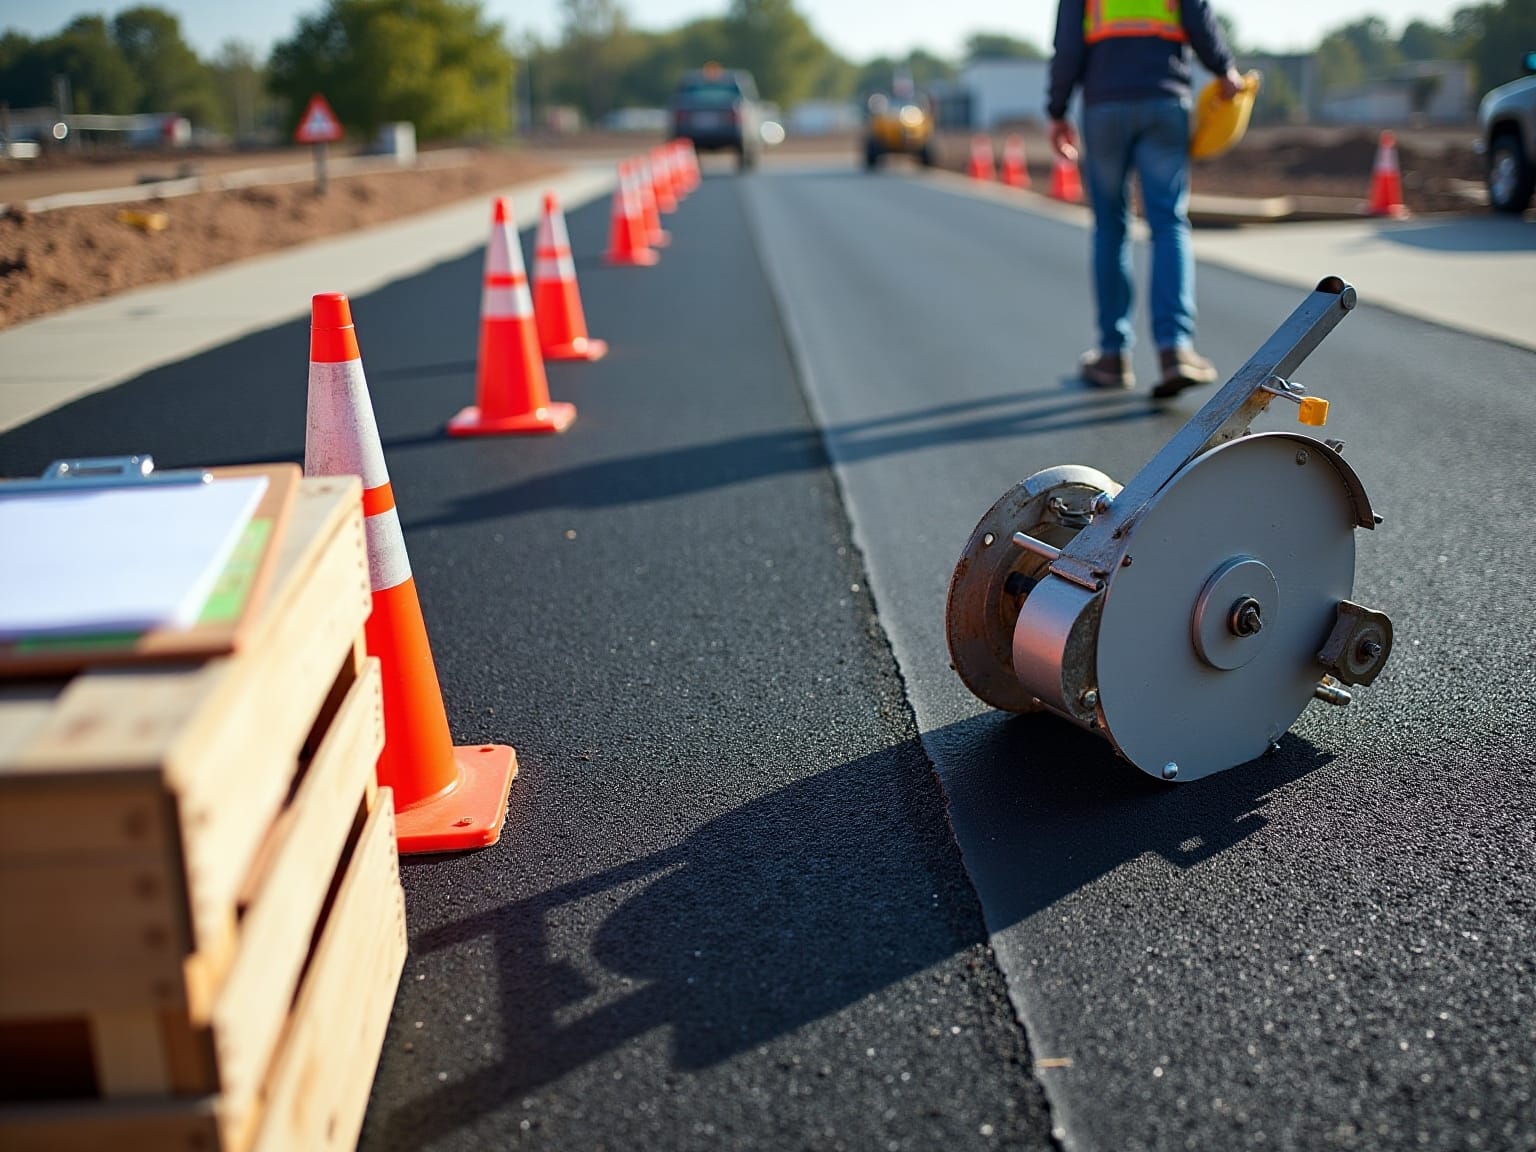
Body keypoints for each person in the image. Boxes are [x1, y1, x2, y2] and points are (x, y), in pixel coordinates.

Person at [1047, 0, 1245, 396]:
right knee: (1168, 224)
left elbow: (1067, 46)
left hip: (1104, 108)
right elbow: (1198, 18)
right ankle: (1176, 351)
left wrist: (1057, 109)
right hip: (1163, 100)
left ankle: (1112, 355)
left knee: (1110, 228)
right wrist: (1223, 68)